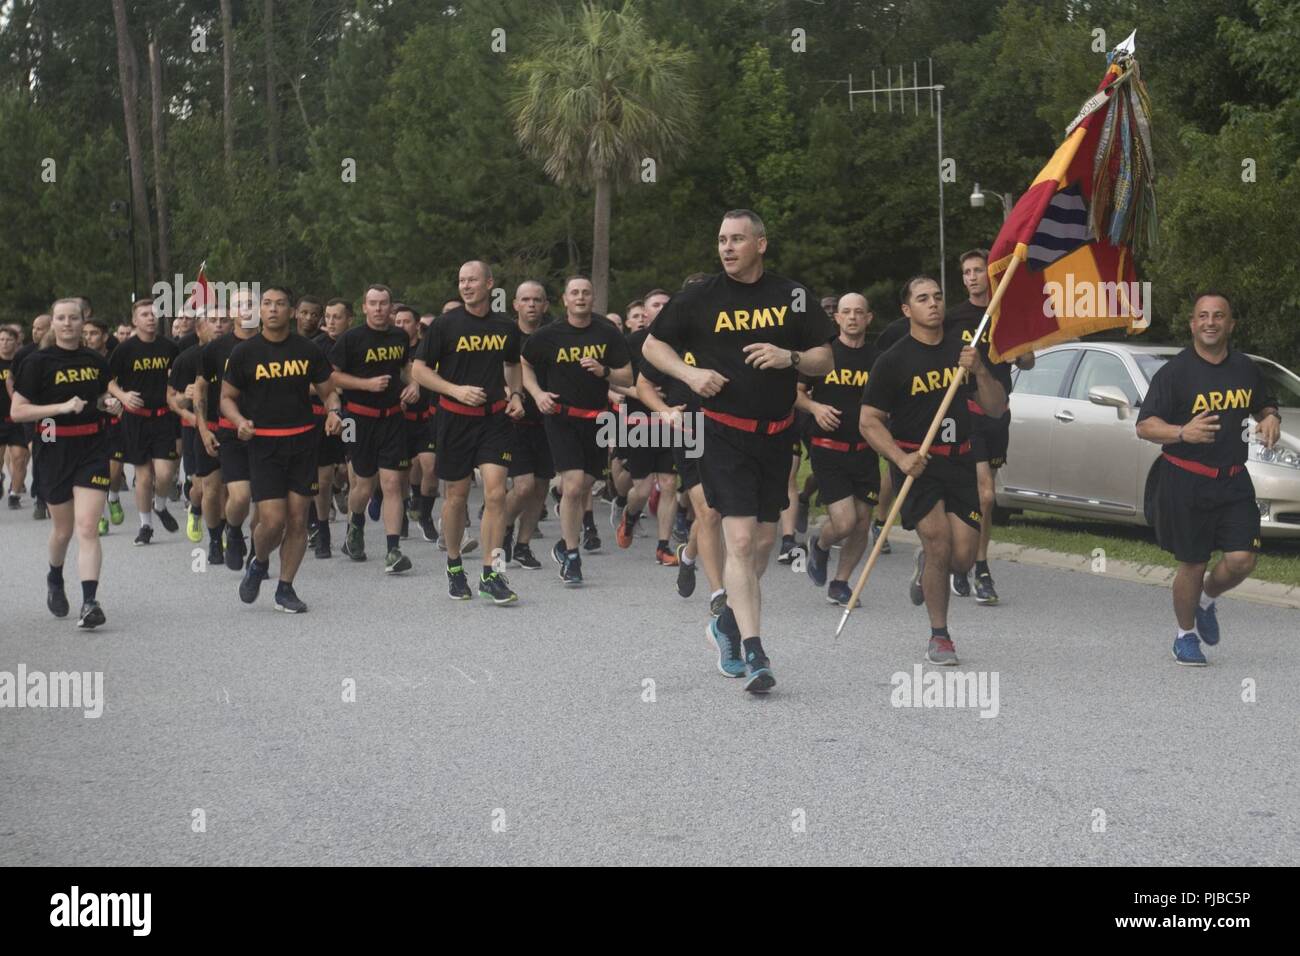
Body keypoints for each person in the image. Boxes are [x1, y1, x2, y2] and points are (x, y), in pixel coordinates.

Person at [643, 209, 835, 693]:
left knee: (764, 544)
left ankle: (726, 621)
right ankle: (755, 651)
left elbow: (824, 357)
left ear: (761, 244)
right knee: (742, 542)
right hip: (722, 433)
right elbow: (651, 347)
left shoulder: (791, 295)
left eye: (737, 239)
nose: (727, 248)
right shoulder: (699, 297)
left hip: (776, 434)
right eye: (722, 239)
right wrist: (690, 376)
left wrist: (788, 356)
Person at [860, 276, 1007, 666]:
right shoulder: (893, 360)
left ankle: (928, 568)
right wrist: (899, 458)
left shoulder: (965, 349)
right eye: (922, 299)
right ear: (907, 310)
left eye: (938, 297)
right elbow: (869, 421)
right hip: (918, 465)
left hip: (960, 460)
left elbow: (996, 407)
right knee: (938, 541)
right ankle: (940, 635)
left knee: (961, 559)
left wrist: (980, 372)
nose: (933, 304)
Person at [1136, 292, 1281, 665]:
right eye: (1203, 316)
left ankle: (1206, 600)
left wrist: (1270, 418)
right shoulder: (1175, 373)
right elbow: (1145, 426)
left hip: (1233, 480)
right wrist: (1183, 432)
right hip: (1186, 481)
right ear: (1192, 324)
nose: (1211, 322)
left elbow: (1264, 402)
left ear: (1231, 324)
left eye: (1218, 316)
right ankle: (1184, 637)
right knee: (1194, 563)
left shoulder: (1245, 368)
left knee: (1242, 560)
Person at [221, 284, 342, 613]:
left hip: (303, 441)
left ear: (291, 312)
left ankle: (285, 588)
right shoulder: (245, 353)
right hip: (264, 444)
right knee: (272, 521)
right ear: (260, 311)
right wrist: (239, 421)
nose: (273, 309)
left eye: (280, 304)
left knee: (298, 520)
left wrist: (334, 412)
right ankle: (259, 562)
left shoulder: (307, 350)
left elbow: (330, 391)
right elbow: (227, 398)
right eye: (267, 303)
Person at [411, 261, 524, 604]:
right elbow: (419, 369)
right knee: (456, 497)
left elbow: (512, 363)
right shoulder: (445, 325)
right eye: (461, 280)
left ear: (489, 283)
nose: (466, 285)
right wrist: (455, 390)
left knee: (495, 494)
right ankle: (455, 564)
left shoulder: (505, 326)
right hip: (455, 418)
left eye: (473, 280)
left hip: (494, 419)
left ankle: (493, 572)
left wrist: (516, 394)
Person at [10, 298, 121, 628]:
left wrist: (110, 403)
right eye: (61, 318)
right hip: (53, 445)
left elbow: (101, 396)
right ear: (53, 324)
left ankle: (89, 601)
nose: (68, 323)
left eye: (74, 318)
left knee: (87, 526)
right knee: (63, 529)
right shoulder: (36, 362)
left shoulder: (94, 360)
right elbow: (18, 411)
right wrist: (59, 407)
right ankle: (55, 577)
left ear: (83, 321)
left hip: (92, 446)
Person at [522, 276, 633, 586]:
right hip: (562, 418)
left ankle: (564, 540)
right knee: (571, 486)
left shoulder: (607, 333)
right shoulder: (549, 335)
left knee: (585, 484)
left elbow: (627, 374)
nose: (581, 297)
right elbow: (524, 363)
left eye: (586, 292)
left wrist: (604, 371)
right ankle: (572, 556)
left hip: (597, 419)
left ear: (592, 298)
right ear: (565, 300)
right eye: (575, 293)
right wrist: (537, 394)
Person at [943, 249, 1034, 604]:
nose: (972, 277)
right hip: (967, 413)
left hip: (998, 413)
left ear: (989, 274)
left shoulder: (1004, 314)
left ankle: (962, 561)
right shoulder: (954, 319)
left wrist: (1020, 350)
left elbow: (1027, 361)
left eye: (978, 270)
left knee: (985, 498)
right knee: (985, 494)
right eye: (966, 272)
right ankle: (979, 568)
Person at [797, 293, 879, 605]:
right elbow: (796, 394)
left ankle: (841, 583)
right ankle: (819, 545)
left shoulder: (878, 359)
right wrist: (815, 409)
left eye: (860, 312)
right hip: (827, 448)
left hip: (865, 449)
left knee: (862, 522)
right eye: (847, 312)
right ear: (837, 318)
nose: (853, 317)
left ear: (869, 318)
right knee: (844, 522)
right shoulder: (822, 354)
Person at [331, 284, 415, 574]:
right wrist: (366, 384)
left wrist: (413, 384)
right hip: (356, 418)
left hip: (392, 417)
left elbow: (406, 368)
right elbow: (332, 378)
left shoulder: (399, 336)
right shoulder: (350, 339)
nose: (379, 309)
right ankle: (355, 524)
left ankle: (393, 550)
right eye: (373, 303)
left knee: (392, 483)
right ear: (364, 308)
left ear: (391, 308)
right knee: (362, 485)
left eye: (383, 304)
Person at [196, 288, 261, 570]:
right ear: (231, 311)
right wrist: (203, 430)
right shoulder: (215, 349)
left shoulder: (273, 344)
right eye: (239, 305)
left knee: (265, 500)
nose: (246, 309)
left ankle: (258, 552)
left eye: (251, 304)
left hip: (269, 432)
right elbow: (200, 391)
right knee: (239, 496)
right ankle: (227, 533)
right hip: (226, 430)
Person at [107, 298, 181, 544]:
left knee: (165, 473)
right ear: (134, 320)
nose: (151, 318)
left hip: (162, 416)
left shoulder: (169, 347)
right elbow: (108, 380)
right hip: (135, 419)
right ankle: (145, 525)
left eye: (154, 314)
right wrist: (122, 395)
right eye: (145, 314)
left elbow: (179, 377)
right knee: (144, 476)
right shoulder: (125, 349)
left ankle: (160, 506)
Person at [614, 288, 680, 565]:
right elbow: (614, 380)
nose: (662, 308)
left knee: (668, 483)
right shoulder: (631, 342)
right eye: (656, 304)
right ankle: (629, 516)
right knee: (642, 488)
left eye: (667, 304)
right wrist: (645, 393)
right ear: (646, 312)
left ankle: (663, 546)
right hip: (639, 419)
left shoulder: (684, 341)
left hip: (674, 419)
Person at [502, 281, 555, 570]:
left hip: (548, 421)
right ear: (516, 304)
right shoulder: (505, 333)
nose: (532, 304)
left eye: (537, 299)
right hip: (514, 420)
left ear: (545, 305)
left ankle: (523, 545)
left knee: (540, 486)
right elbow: (497, 371)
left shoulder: (553, 336)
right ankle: (504, 528)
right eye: (526, 299)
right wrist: (511, 396)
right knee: (523, 486)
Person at [310, 297, 352, 556]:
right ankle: (322, 529)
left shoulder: (358, 341)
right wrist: (329, 389)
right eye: (327, 317)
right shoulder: (315, 347)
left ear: (350, 319)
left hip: (355, 417)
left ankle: (353, 532)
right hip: (322, 417)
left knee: (353, 475)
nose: (331, 322)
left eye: (337, 317)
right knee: (322, 480)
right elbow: (302, 385)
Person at [11, 313, 52, 518]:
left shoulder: (57, 352)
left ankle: (50, 494)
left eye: (40, 328)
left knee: (48, 452)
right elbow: (12, 381)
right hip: (31, 416)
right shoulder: (24, 354)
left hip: (51, 416)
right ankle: (41, 499)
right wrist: (19, 405)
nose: (36, 332)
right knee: (38, 453)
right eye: (34, 328)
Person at [0, 325, 29, 508]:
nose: (4, 343)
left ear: (16, 342)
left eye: (8, 339)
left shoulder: (22, 362)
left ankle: (15, 494)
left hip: (18, 419)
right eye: (1, 340)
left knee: (19, 458)